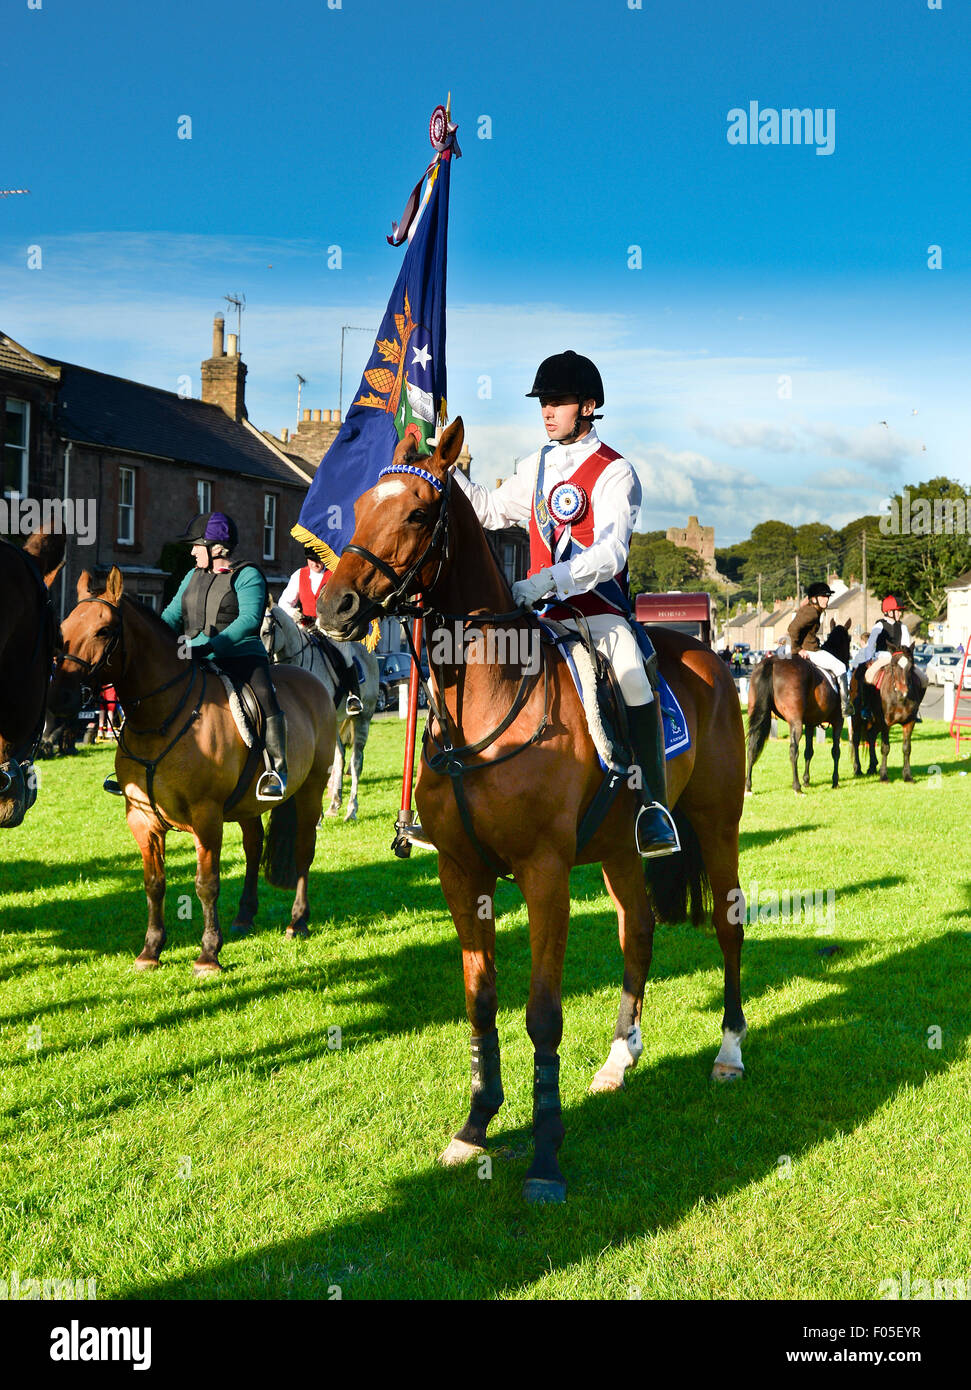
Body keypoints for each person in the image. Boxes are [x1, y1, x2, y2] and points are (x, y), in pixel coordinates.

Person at [452, 350, 679, 858]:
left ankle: (652, 807)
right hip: (539, 619)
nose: (547, 411)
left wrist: (549, 579)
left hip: (598, 614)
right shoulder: (535, 466)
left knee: (632, 673)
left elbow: (610, 552)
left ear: (589, 405)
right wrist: (443, 471)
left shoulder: (616, 471)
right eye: (543, 403)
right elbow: (488, 510)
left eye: (557, 402)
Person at [161, 512, 288, 800]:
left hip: (240, 656)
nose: (192, 551)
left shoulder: (248, 575)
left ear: (217, 547)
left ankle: (276, 771)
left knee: (265, 695)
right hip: (193, 654)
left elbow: (248, 620)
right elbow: (170, 616)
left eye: (196, 545)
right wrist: (154, 638)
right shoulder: (192, 576)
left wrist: (209, 644)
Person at [279, 547, 363, 715]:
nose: (316, 564)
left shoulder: (334, 574)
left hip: (329, 627)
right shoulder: (299, 575)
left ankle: (353, 696)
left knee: (344, 652)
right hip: (305, 627)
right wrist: (293, 613)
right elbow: (283, 603)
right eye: (312, 560)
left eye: (318, 560)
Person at [787, 582, 850, 714]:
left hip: (806, 648)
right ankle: (845, 706)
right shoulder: (812, 613)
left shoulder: (811, 610)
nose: (826, 599)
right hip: (811, 650)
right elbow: (792, 628)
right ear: (814, 598)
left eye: (827, 597)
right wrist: (797, 649)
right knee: (841, 667)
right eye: (823, 596)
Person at [851, 594, 927, 702]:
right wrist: (868, 660)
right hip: (882, 658)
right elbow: (870, 645)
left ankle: (915, 707)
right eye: (898, 611)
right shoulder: (879, 626)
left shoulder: (903, 627)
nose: (900, 613)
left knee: (924, 679)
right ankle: (867, 707)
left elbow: (906, 646)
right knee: (868, 676)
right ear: (889, 612)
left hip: (900, 660)